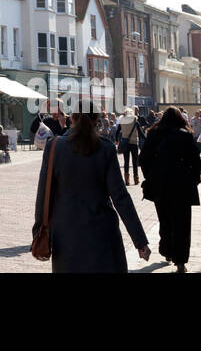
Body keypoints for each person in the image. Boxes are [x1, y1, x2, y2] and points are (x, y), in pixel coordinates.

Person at [32, 109, 151, 272]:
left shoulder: (54, 147)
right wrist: (139, 240)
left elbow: (43, 195)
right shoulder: (105, 148)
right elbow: (120, 197)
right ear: (97, 121)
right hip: (101, 233)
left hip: (66, 234)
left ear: (71, 119)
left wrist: (38, 231)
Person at [139, 107, 201, 273]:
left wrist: (150, 176)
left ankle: (167, 250)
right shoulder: (185, 135)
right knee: (182, 222)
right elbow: (195, 160)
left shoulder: (153, 134)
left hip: (160, 184)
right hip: (181, 184)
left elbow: (143, 158)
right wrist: (194, 180)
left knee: (164, 218)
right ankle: (180, 261)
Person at [115, 107, 144, 184]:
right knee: (134, 161)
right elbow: (140, 133)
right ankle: (136, 178)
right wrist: (146, 139)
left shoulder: (122, 121)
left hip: (125, 143)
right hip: (134, 143)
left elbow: (117, 132)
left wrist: (117, 141)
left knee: (126, 161)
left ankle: (127, 180)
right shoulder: (135, 120)